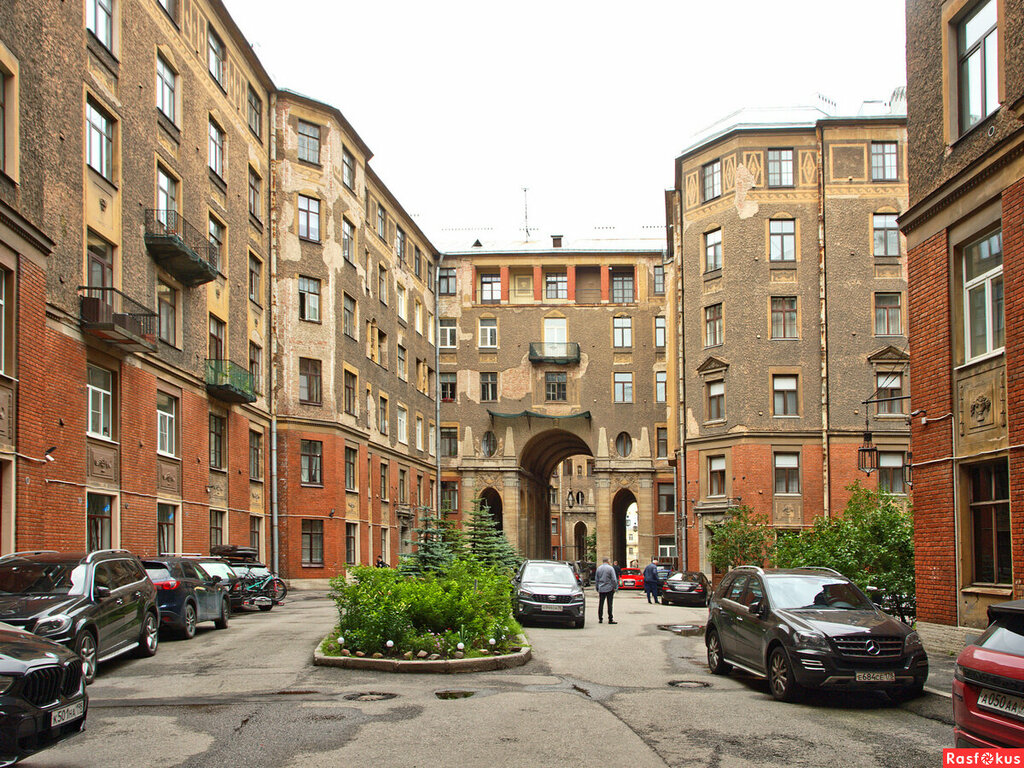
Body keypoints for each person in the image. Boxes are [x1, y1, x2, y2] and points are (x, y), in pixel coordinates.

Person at [594, 557, 618, 624]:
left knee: (601, 604)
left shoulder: (599, 568)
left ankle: (600, 618)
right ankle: (610, 619)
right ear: (608, 561)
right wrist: (615, 587)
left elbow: (596, 579)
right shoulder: (610, 568)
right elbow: (614, 579)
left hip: (601, 588)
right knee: (609, 604)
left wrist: (597, 587)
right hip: (609, 588)